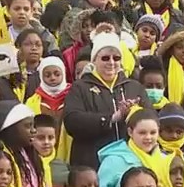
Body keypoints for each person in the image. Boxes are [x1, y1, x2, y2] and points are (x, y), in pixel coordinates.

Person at [62, 33, 148, 168]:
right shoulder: (80, 87)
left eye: (116, 58)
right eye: (105, 58)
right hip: (91, 163)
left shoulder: (134, 87)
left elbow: (151, 118)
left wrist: (134, 113)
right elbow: (72, 121)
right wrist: (111, 118)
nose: (111, 62)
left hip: (130, 163)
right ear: (94, 60)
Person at [98, 107, 168, 187]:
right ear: (130, 132)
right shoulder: (114, 161)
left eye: (153, 133)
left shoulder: (165, 159)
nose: (148, 137)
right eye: (142, 133)